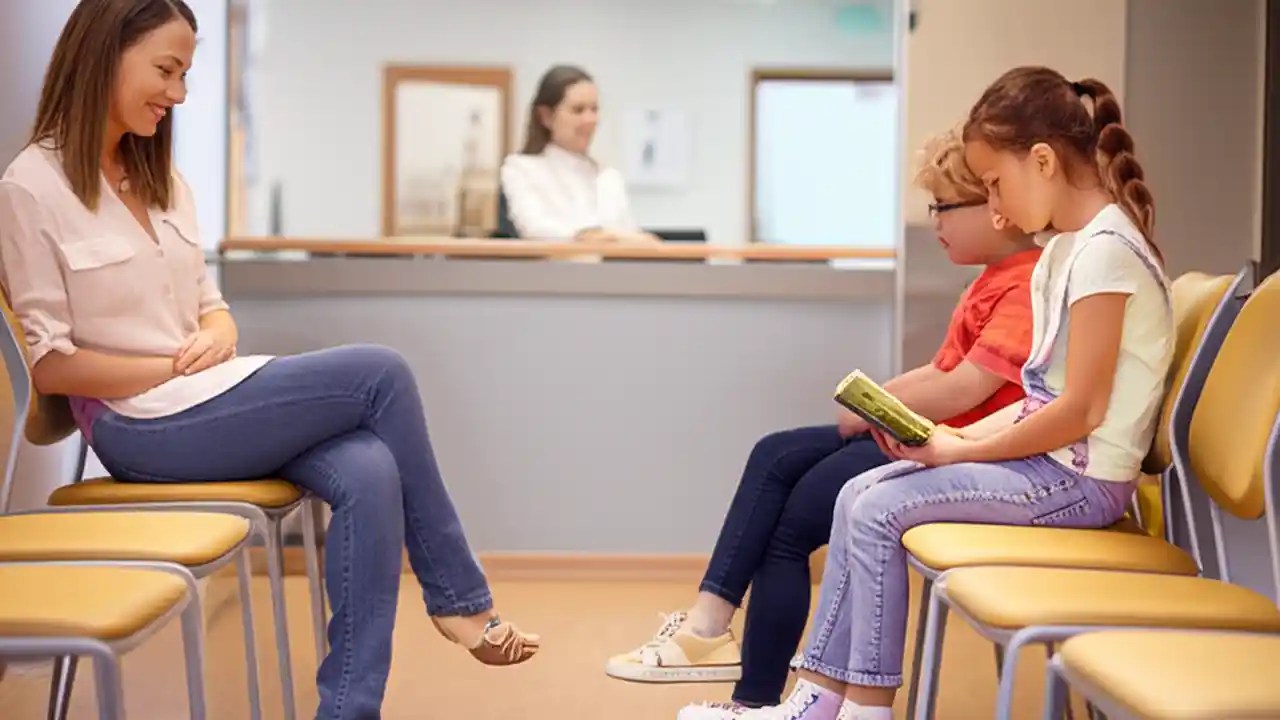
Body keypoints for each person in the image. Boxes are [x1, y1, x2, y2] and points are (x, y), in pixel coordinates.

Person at [0, 2, 538, 718]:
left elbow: (208, 305)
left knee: (369, 469)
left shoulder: (165, 181)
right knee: (381, 373)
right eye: (166, 70)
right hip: (139, 425)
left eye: (186, 73)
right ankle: (460, 601)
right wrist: (169, 369)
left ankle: (347, 711)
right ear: (104, 51)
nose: (179, 94)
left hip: (205, 401)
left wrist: (219, 332)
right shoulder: (30, 188)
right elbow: (53, 370)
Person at [677, 65, 1173, 720]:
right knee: (858, 493)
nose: (995, 207)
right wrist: (957, 439)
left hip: (1079, 482)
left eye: (996, 183)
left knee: (878, 507)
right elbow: (1042, 398)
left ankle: (863, 710)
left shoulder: (1105, 251)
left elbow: (1080, 410)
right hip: (1053, 466)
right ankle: (821, 699)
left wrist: (954, 453)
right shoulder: (1067, 252)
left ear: (1045, 161)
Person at [605, 127, 1042, 709]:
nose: (934, 221)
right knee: (775, 453)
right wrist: (874, 405)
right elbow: (946, 370)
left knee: (789, 529)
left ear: (994, 210)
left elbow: (965, 386)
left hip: (944, 447)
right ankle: (706, 627)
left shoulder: (1023, 283)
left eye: (943, 207)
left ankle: (753, 698)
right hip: (923, 435)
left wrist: (873, 405)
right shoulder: (991, 281)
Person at [501, 64, 658, 243]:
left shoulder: (609, 176)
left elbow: (630, 235)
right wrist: (598, 236)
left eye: (594, 109)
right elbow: (536, 229)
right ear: (546, 116)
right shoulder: (521, 169)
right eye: (578, 110)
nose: (590, 120)